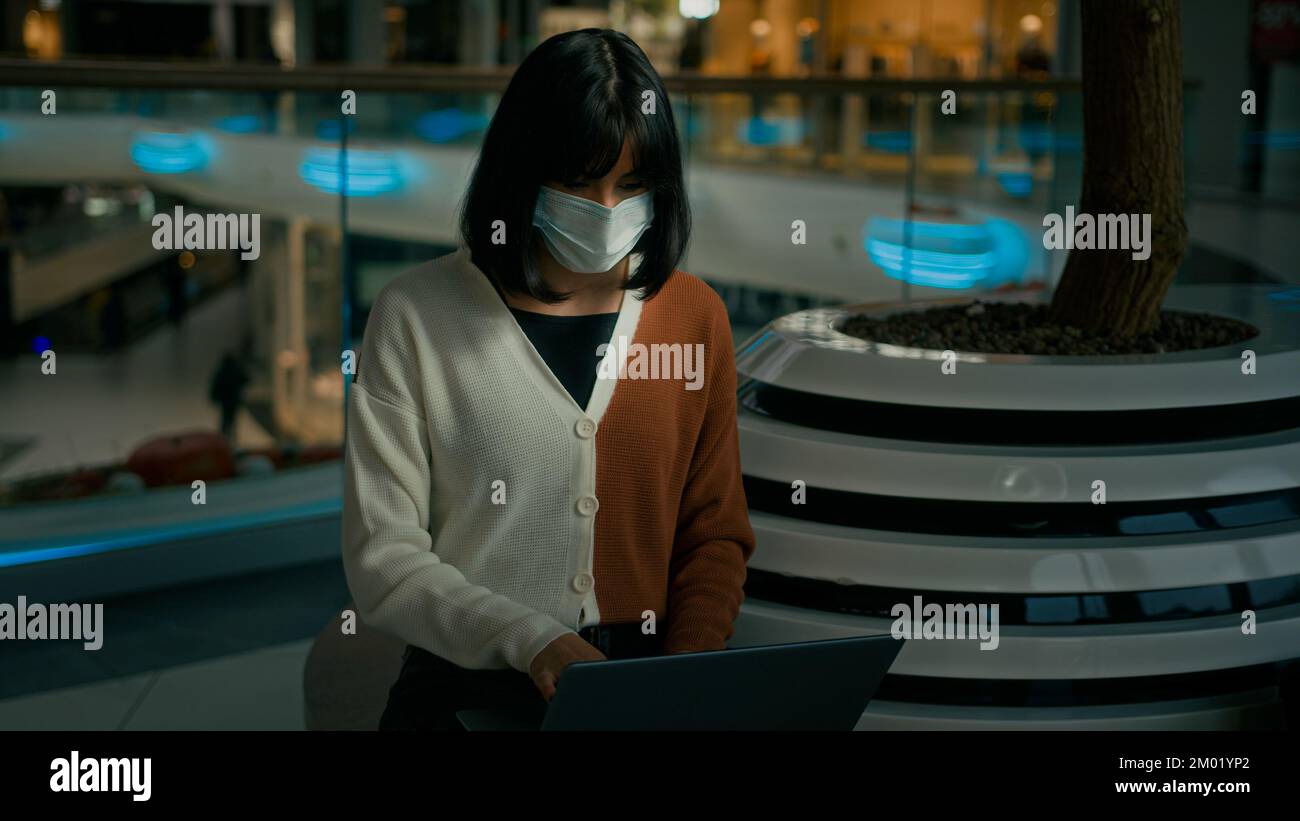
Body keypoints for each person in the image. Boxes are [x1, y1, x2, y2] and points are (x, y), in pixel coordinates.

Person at [341, 28, 756, 731]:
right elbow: (383, 558)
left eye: (630, 184)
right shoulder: (418, 315)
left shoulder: (694, 316)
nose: (603, 208)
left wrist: (688, 678)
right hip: (466, 680)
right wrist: (531, 638)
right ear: (522, 171)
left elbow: (712, 536)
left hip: (645, 683)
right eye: (575, 180)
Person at [209, 349, 248, 445]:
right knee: (231, 422)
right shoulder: (235, 372)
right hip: (233, 402)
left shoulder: (222, 372)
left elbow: (215, 386)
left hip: (226, 402)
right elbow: (245, 379)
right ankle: (230, 440)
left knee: (225, 421)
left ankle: (223, 440)